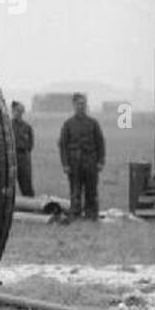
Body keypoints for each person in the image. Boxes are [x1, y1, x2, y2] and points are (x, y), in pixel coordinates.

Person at [58, 92, 105, 221]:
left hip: (90, 162)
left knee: (91, 189)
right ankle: (75, 212)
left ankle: (91, 213)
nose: (81, 106)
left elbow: (100, 143)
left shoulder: (93, 123)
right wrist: (65, 164)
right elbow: (63, 145)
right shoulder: (68, 124)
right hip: (74, 163)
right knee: (75, 189)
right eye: (79, 104)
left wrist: (100, 161)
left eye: (83, 104)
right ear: (74, 105)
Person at [11, 100, 35, 197]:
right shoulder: (8, 126)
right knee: (9, 184)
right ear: (13, 111)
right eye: (17, 110)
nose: (19, 113)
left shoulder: (27, 127)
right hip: (12, 157)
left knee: (26, 184)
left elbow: (30, 145)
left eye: (21, 111)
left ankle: (32, 206)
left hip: (24, 158)